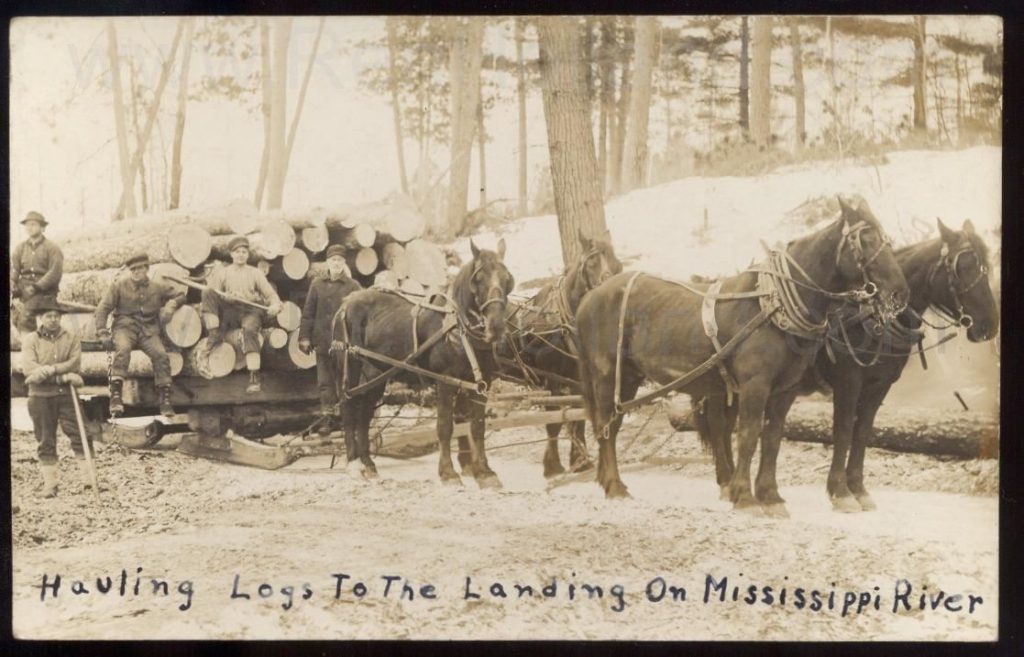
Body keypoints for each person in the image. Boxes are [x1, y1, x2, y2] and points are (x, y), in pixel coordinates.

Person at [94, 253, 186, 417]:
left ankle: (164, 400)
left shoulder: (157, 287)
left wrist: (172, 305)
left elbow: (181, 294)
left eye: (140, 268)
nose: (137, 272)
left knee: (161, 355)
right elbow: (103, 308)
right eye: (133, 269)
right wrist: (102, 331)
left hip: (148, 330)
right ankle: (116, 397)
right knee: (122, 350)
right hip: (125, 327)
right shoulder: (119, 286)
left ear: (147, 268)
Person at [21, 298, 92, 498]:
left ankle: (89, 480)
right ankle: (50, 485)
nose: (53, 320)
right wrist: (61, 376)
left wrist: (49, 370)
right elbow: (28, 368)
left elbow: (74, 363)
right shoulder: (30, 340)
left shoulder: (70, 337)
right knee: (45, 439)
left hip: (66, 395)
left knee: (81, 434)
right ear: (40, 319)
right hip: (40, 396)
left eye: (56, 316)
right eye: (48, 316)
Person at [201, 236, 282, 393]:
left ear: (248, 255)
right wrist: (226, 297)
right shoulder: (223, 273)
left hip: (250, 311)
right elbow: (213, 295)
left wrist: (275, 304)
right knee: (207, 292)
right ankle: (213, 336)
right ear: (231, 254)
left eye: (244, 252)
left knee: (250, 331)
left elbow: (271, 294)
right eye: (237, 252)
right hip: (230, 311)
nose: (241, 255)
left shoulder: (255, 273)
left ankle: (254, 376)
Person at [299, 245, 362, 436]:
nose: (336, 264)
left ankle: (346, 420)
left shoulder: (353, 286)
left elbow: (361, 315)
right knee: (325, 383)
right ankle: (327, 420)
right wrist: (304, 337)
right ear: (327, 262)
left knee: (345, 381)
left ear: (345, 263)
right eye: (333, 260)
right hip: (323, 342)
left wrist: (356, 342)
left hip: (344, 343)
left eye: (340, 260)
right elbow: (308, 313)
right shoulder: (317, 284)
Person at [11, 211, 64, 334]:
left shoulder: (52, 248)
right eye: (27, 225)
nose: (30, 228)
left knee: (27, 314)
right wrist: (13, 282)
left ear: (43, 228)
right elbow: (14, 268)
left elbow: (55, 272)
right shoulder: (20, 248)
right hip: (24, 288)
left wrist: (37, 286)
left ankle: (29, 345)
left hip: (45, 291)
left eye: (33, 224)